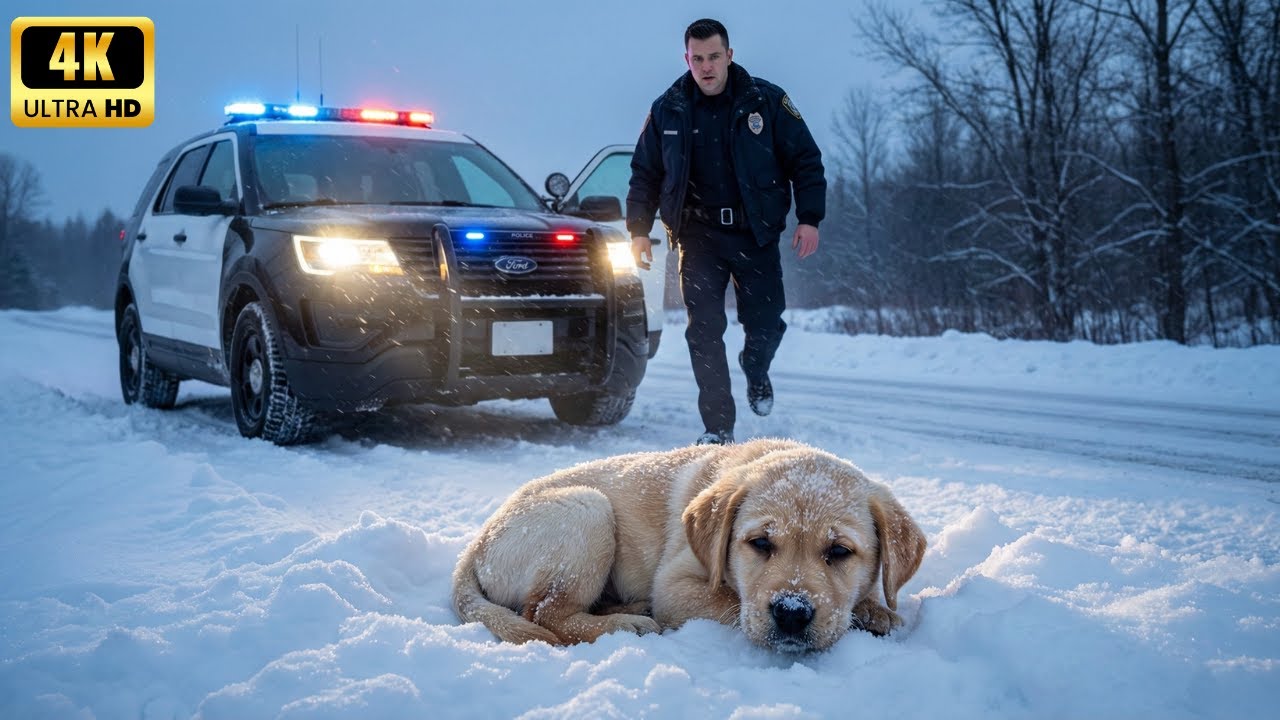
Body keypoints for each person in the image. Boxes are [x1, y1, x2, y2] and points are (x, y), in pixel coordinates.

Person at [627, 18, 825, 446]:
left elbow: (806, 160)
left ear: (729, 55)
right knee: (703, 329)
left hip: (754, 233)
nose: (706, 66)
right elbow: (645, 172)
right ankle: (718, 428)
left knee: (767, 323)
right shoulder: (668, 108)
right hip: (698, 236)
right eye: (697, 58)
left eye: (714, 56)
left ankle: (756, 368)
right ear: (687, 59)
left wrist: (810, 218)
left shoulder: (766, 102)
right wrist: (638, 229)